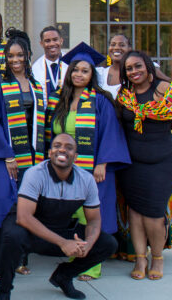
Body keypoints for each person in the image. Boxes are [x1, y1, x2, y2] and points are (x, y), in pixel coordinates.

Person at [0, 134, 118, 300]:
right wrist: (63, 243)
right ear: (50, 153)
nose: (62, 149)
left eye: (68, 147)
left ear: (76, 157)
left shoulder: (86, 180)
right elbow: (24, 217)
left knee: (107, 244)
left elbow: (94, 220)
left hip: (61, 227)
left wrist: (88, 245)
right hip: (30, 229)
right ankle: (3, 293)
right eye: (57, 145)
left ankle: (64, 276)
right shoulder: (35, 174)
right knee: (12, 236)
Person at [46, 42, 131, 280]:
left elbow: (110, 134)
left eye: (85, 70)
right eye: (76, 70)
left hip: (92, 167)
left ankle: (91, 264)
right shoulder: (58, 101)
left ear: (92, 74)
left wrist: (102, 163)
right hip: (64, 169)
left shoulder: (100, 101)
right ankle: (76, 254)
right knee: (73, 215)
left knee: (90, 215)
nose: (79, 74)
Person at [0, 28, 47, 284]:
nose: (15, 60)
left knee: (27, 209)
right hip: (4, 159)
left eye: (20, 55)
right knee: (2, 211)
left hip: (32, 158)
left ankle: (21, 259)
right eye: (10, 56)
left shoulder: (37, 86)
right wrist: (7, 155)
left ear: (28, 56)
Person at [114, 47, 172, 281]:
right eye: (129, 68)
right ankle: (140, 258)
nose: (134, 71)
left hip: (162, 161)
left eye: (138, 66)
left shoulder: (162, 90)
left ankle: (157, 257)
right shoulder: (125, 95)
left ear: (148, 68)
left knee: (154, 213)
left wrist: (166, 127)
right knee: (135, 213)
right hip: (132, 163)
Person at [32, 26, 66, 95]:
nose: (52, 44)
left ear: (61, 41)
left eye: (55, 39)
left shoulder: (70, 63)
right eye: (47, 41)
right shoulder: (35, 68)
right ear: (41, 44)